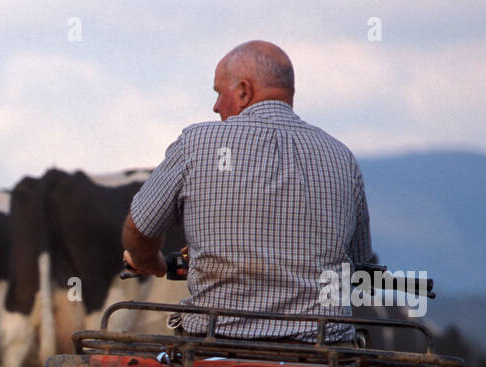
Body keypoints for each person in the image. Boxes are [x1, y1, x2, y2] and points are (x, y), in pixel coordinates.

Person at [122, 40, 376, 343]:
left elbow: (139, 229)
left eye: (218, 92)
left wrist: (150, 261)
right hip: (323, 349)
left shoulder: (198, 143)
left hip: (216, 342)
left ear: (243, 91)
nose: (215, 106)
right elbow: (360, 266)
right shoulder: (341, 157)